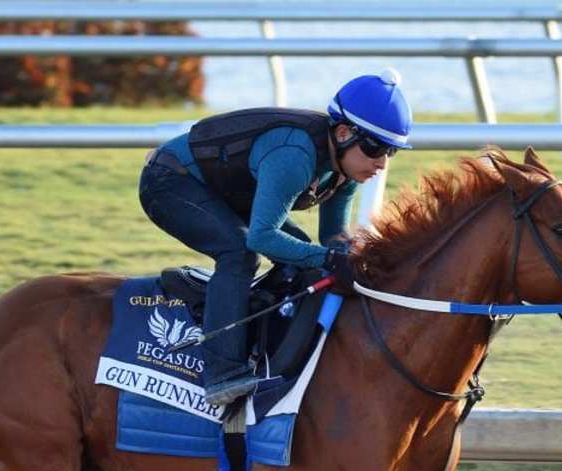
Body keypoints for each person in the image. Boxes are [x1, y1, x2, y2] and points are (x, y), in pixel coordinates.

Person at [138, 68, 413, 406]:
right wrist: (328, 257)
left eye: (391, 152)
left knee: (301, 259)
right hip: (169, 182)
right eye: (375, 148)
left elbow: (333, 237)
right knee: (240, 254)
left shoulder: (346, 171)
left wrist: (360, 259)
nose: (382, 163)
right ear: (343, 133)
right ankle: (222, 372)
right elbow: (262, 238)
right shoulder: (294, 157)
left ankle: (263, 338)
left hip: (224, 192)